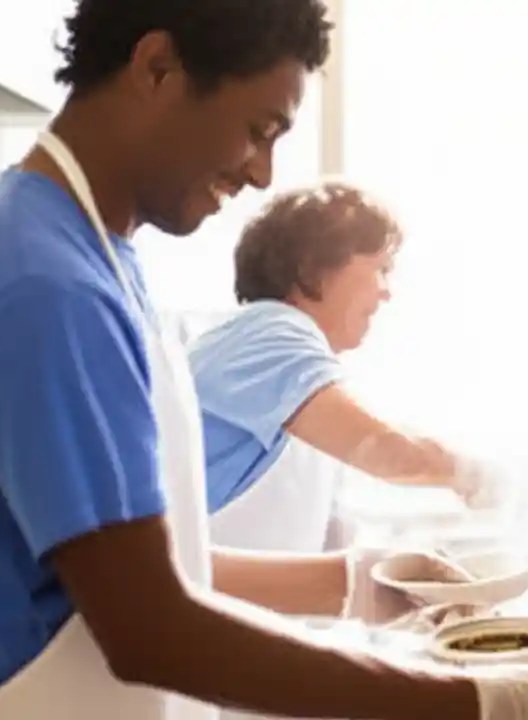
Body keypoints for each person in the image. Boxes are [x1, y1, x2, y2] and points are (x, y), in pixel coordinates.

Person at [0, 2, 528, 719]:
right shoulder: (39, 285)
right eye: (259, 130)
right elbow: (149, 630)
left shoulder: (81, 255)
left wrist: (351, 582)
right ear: (158, 67)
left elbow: (137, 572)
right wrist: (469, 702)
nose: (261, 172)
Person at [191, 182, 477, 554]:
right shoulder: (270, 331)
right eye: (381, 268)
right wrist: (481, 478)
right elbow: (389, 451)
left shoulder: (289, 373)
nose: (386, 291)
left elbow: (322, 527)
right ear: (312, 268)